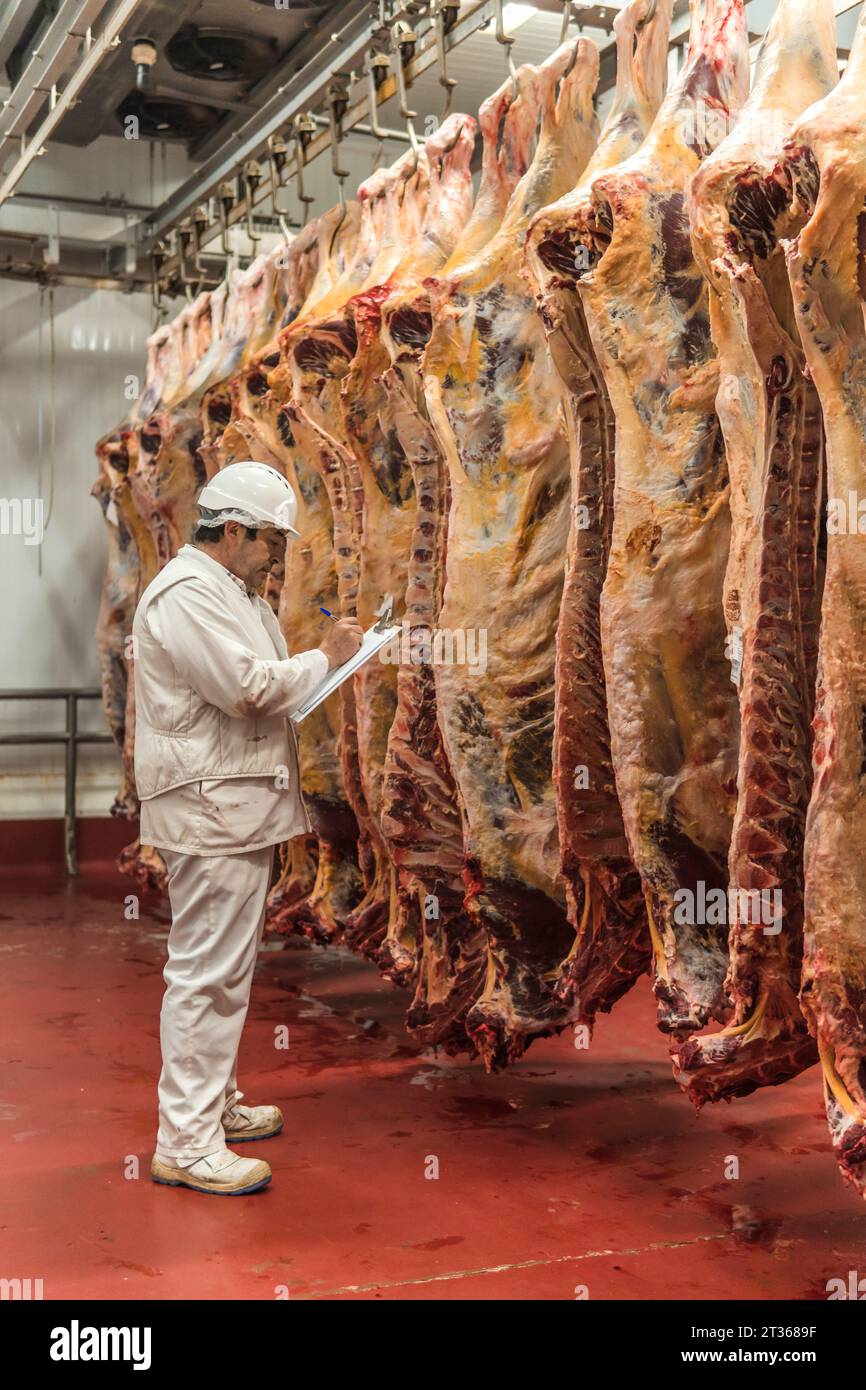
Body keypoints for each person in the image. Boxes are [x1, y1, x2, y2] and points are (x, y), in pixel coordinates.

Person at [132, 461, 362, 1195]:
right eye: (273, 542)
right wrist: (327, 655)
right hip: (209, 813)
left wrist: (325, 666)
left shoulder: (232, 591)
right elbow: (246, 689)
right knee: (205, 975)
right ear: (234, 531)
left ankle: (213, 1108)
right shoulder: (186, 595)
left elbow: (267, 684)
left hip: (234, 808)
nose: (281, 558)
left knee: (226, 973)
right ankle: (186, 1143)